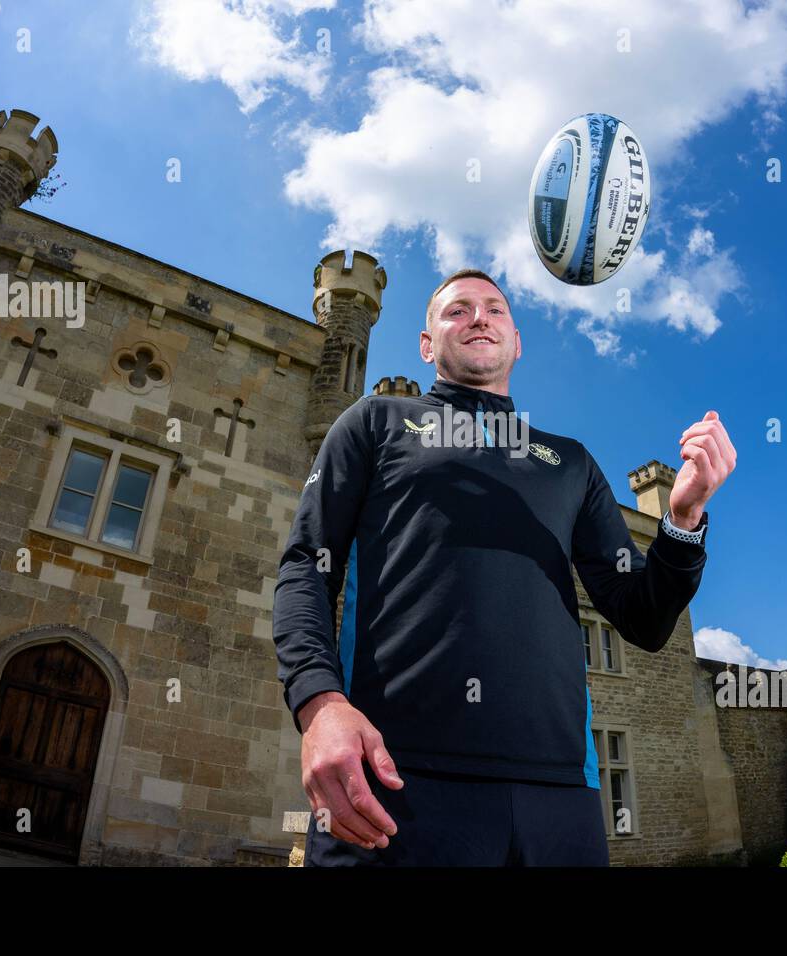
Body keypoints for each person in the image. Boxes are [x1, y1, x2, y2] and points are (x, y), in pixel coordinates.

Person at [272, 268, 735, 866]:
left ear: (517, 341)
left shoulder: (570, 463)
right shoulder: (375, 423)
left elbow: (642, 617)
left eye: (494, 309)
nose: (478, 318)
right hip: (393, 780)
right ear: (425, 344)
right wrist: (320, 705)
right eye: (456, 310)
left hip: (560, 796)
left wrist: (684, 519)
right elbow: (306, 566)